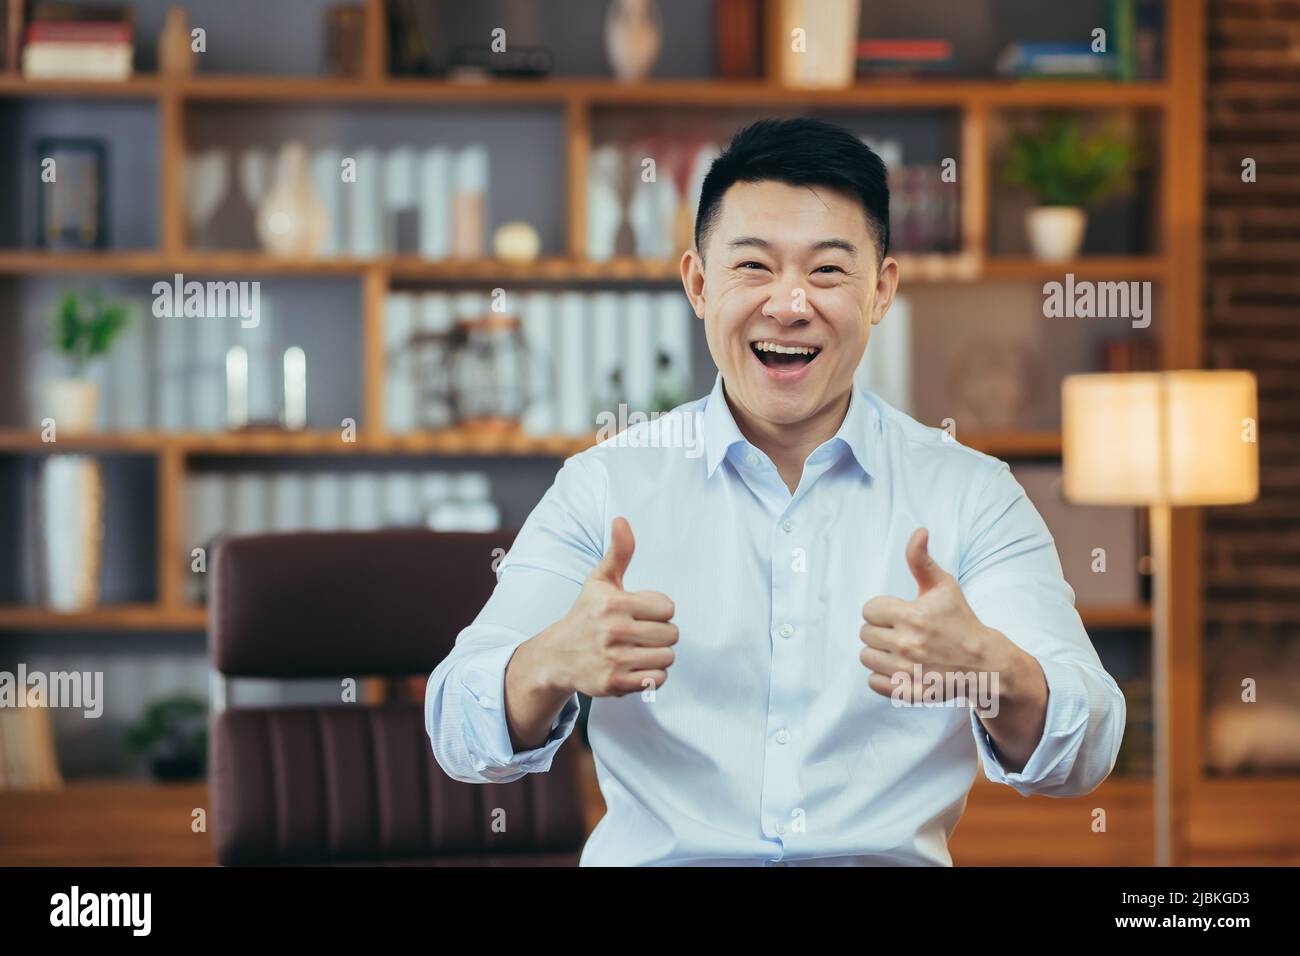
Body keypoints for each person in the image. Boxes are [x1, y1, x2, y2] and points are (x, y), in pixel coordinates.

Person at [425, 117, 1126, 866]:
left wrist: (995, 669)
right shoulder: (604, 486)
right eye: (753, 267)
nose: (789, 305)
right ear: (699, 283)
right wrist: (551, 660)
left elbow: (1089, 747)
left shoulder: (972, 496)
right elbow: (457, 732)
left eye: (827, 271)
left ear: (881, 290)